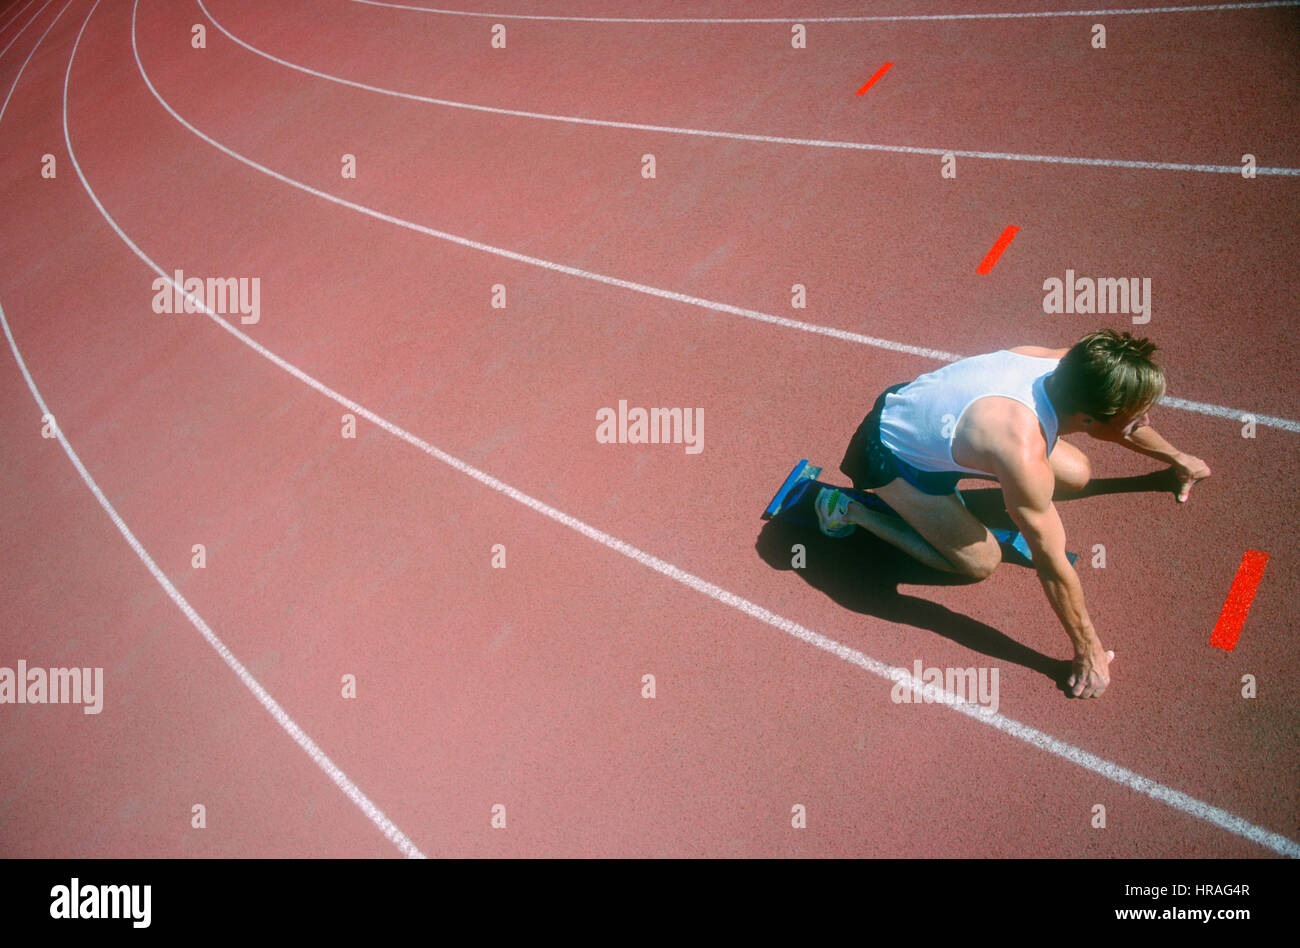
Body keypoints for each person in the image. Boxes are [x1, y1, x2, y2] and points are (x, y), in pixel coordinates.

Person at [815, 330, 1211, 699]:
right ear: (1088, 419)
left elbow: (1119, 415)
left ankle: (955, 481)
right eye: (1135, 420)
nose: (1145, 423)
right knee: (981, 563)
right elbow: (1051, 563)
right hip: (887, 451)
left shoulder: (1073, 366)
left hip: (937, 422)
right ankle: (849, 510)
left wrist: (1178, 457)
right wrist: (1088, 649)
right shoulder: (1022, 451)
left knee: (1077, 473)